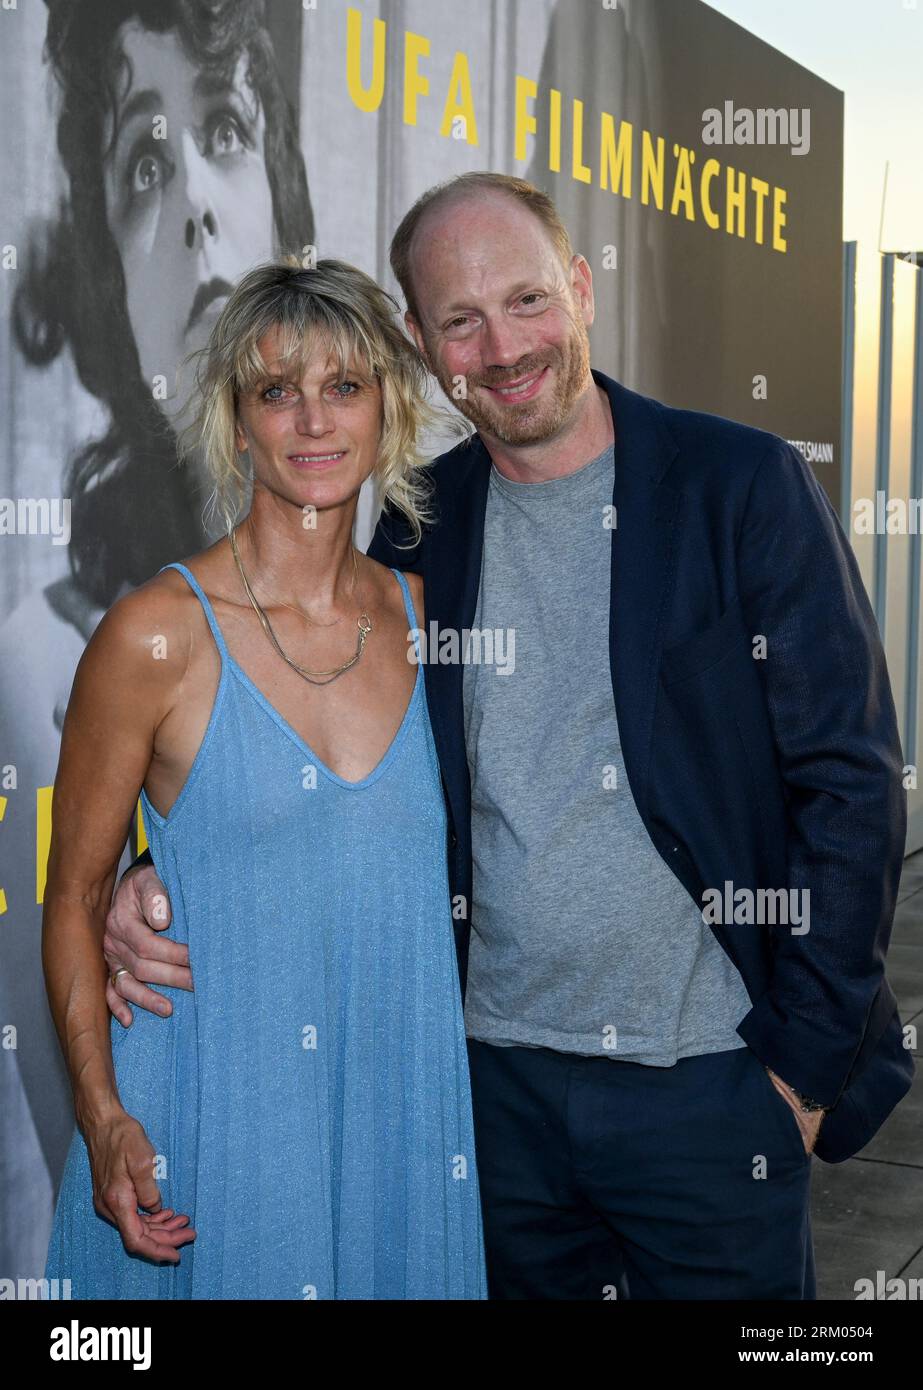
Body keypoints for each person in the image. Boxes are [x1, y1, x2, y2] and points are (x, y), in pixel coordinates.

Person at [103, 173, 913, 1301]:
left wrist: (801, 1068)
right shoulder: (416, 528)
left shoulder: (741, 486)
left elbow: (852, 785)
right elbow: (321, 743)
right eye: (460, 321)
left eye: (527, 301)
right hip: (488, 1101)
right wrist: (148, 870)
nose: (502, 347)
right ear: (421, 346)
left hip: (711, 1085)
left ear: (579, 289)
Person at [41, 257, 486, 1299]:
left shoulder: (432, 620)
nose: (313, 421)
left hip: (393, 1130)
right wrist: (103, 1116)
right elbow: (73, 897)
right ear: (237, 423)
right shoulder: (157, 634)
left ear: (388, 410)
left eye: (344, 387)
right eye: (276, 390)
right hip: (204, 1123)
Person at [1, 1, 315, 1276]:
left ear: (288, 218)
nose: (191, 197)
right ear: (106, 283)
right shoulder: (42, 663)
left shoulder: (405, 590)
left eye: (224, 130)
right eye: (142, 161)